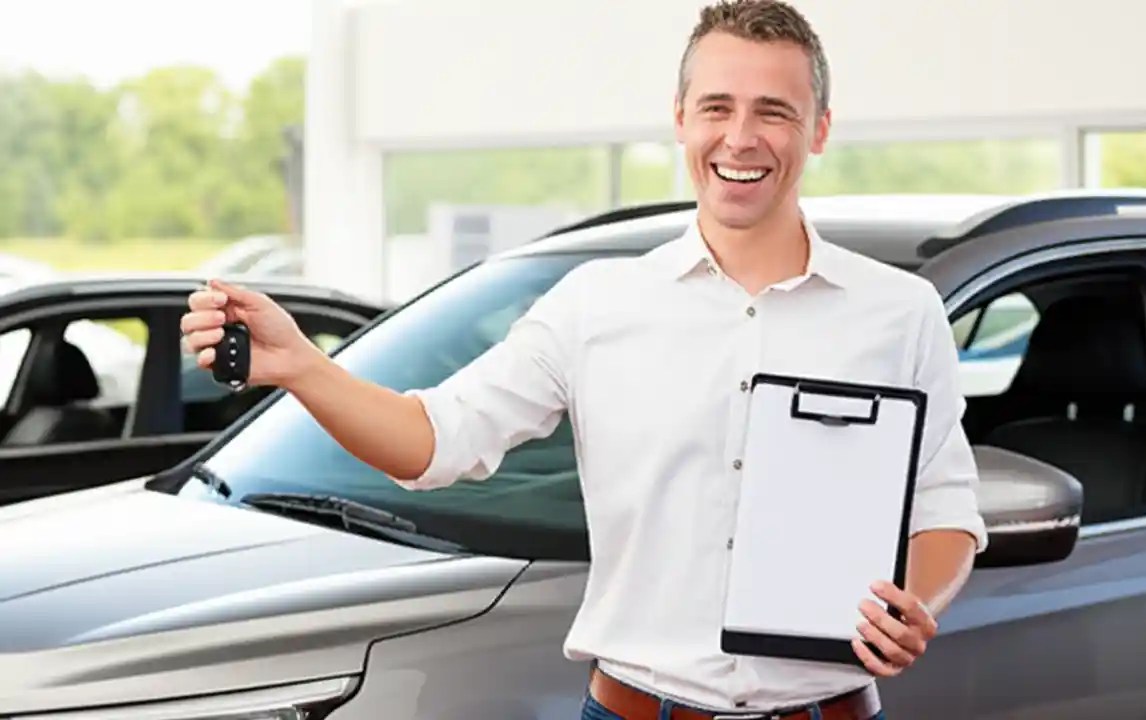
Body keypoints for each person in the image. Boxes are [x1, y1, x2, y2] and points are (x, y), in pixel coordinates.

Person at [181, 1, 987, 717]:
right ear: (680, 118)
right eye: (717, 107)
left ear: (818, 128)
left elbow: (947, 509)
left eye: (773, 111)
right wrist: (300, 367)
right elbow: (432, 442)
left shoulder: (899, 313)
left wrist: (914, 601)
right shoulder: (596, 304)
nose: (740, 138)